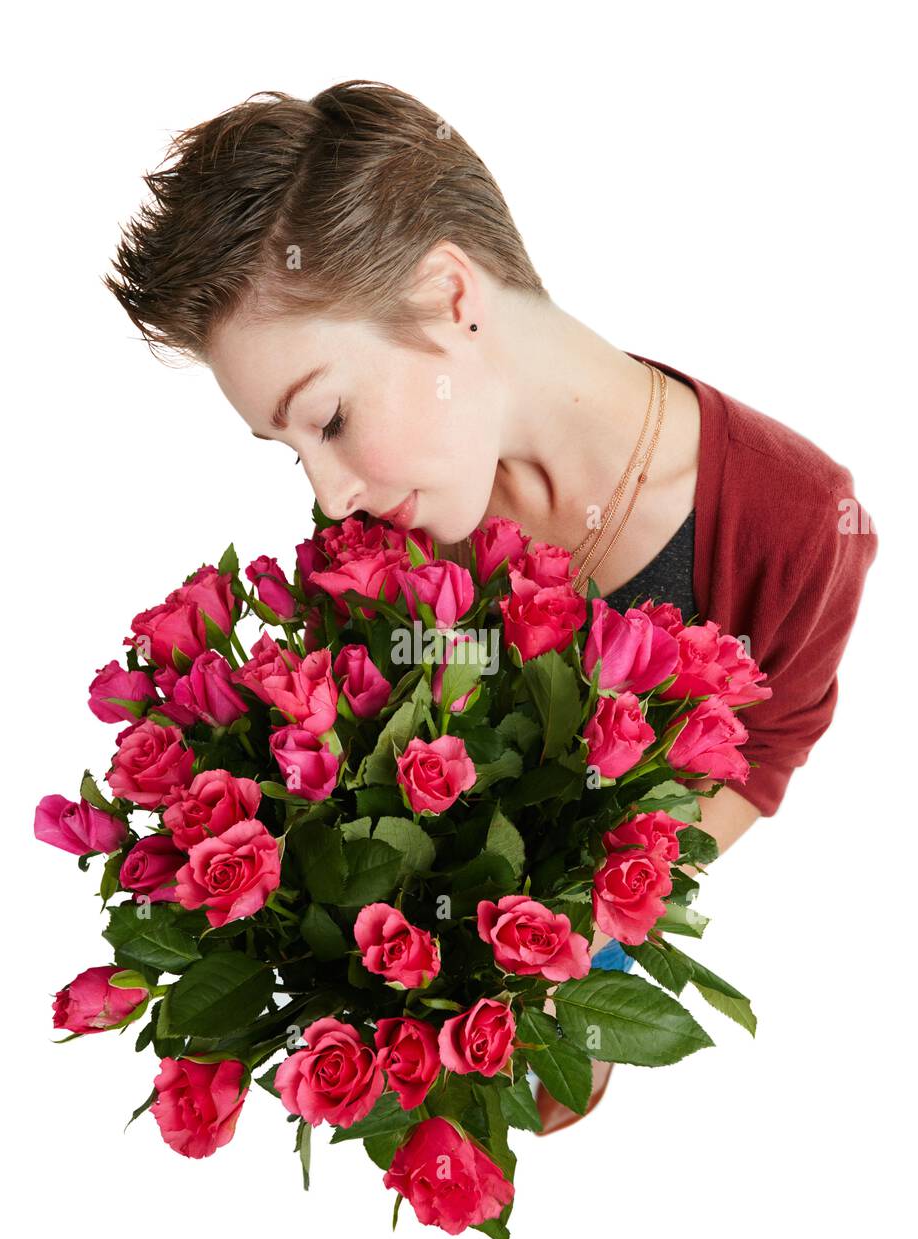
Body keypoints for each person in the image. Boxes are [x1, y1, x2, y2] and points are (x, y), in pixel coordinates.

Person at [102, 79, 879, 1137]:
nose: (326, 498)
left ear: (447, 295)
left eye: (327, 417)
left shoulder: (796, 520)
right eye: (289, 445)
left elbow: (770, 739)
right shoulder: (377, 542)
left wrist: (581, 933)